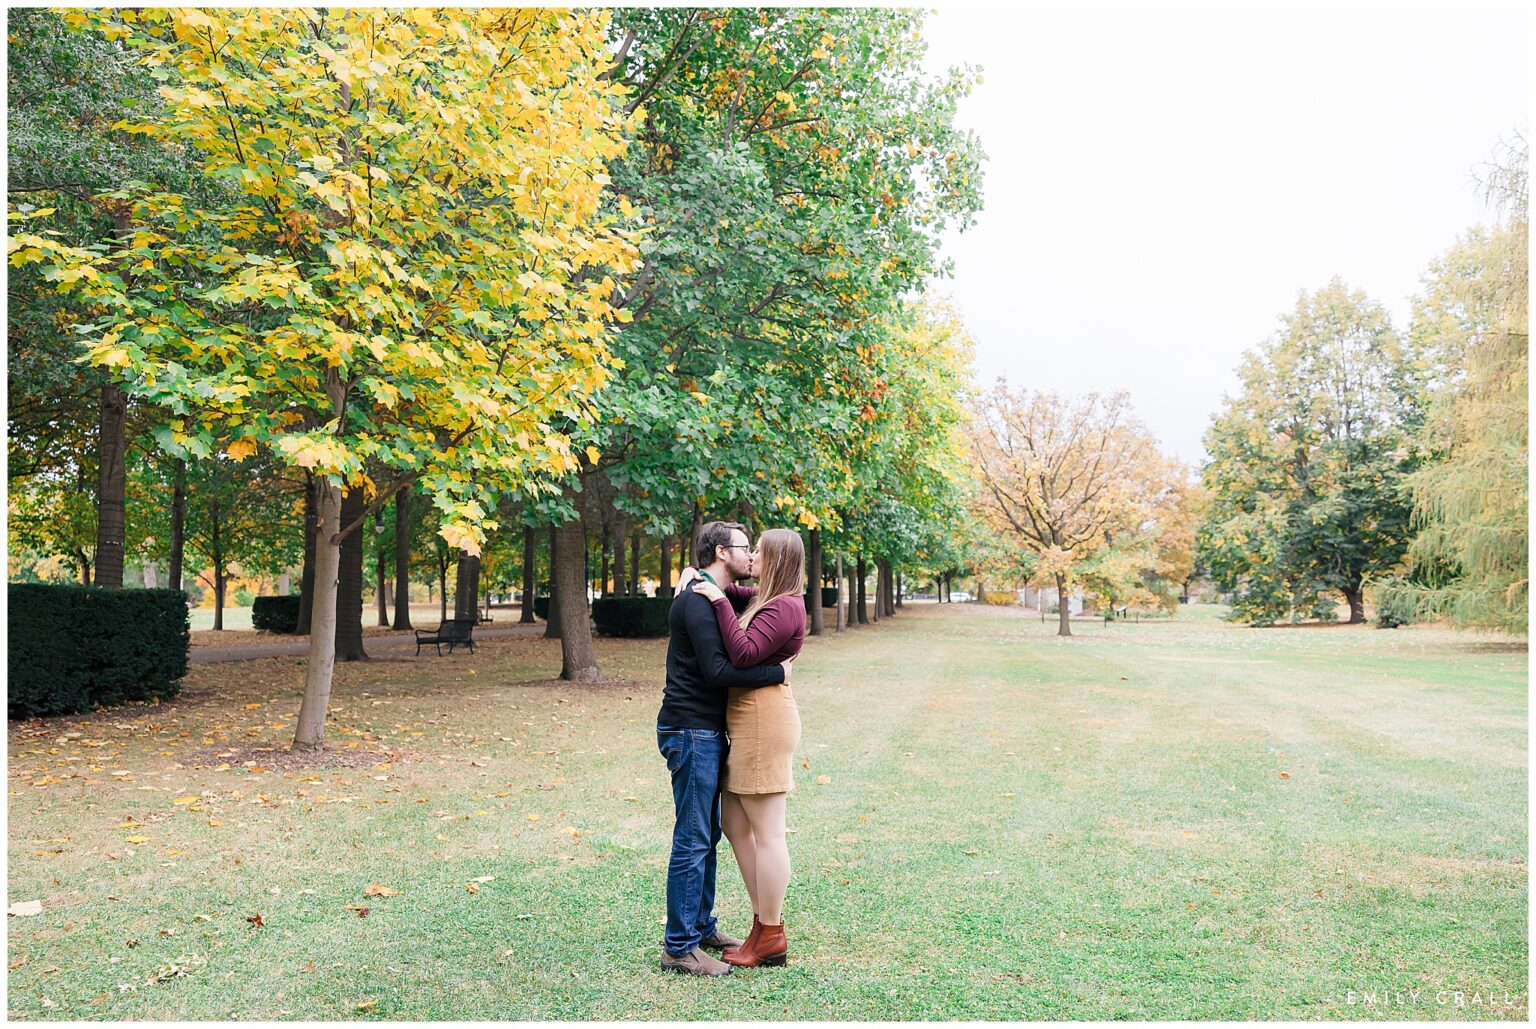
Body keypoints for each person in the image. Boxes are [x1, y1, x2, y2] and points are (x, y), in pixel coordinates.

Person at [657, 521, 794, 978]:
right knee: (694, 837)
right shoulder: (698, 600)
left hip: (708, 731)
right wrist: (778, 674)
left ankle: (701, 927)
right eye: (744, 547)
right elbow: (719, 670)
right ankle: (679, 946)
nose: (751, 556)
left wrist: (696, 577)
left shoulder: (713, 593)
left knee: (709, 834)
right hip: (691, 730)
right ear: (721, 551)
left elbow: (742, 612)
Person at [689, 528, 806, 969]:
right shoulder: (770, 600)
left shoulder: (782, 607)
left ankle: (771, 933)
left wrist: (716, 601)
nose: (752, 555)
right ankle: (762, 924)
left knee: (768, 831)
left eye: (759, 551)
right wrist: (701, 577)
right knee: (734, 823)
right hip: (749, 720)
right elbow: (734, 587)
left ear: (775, 559)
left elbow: (741, 655)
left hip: (764, 721)